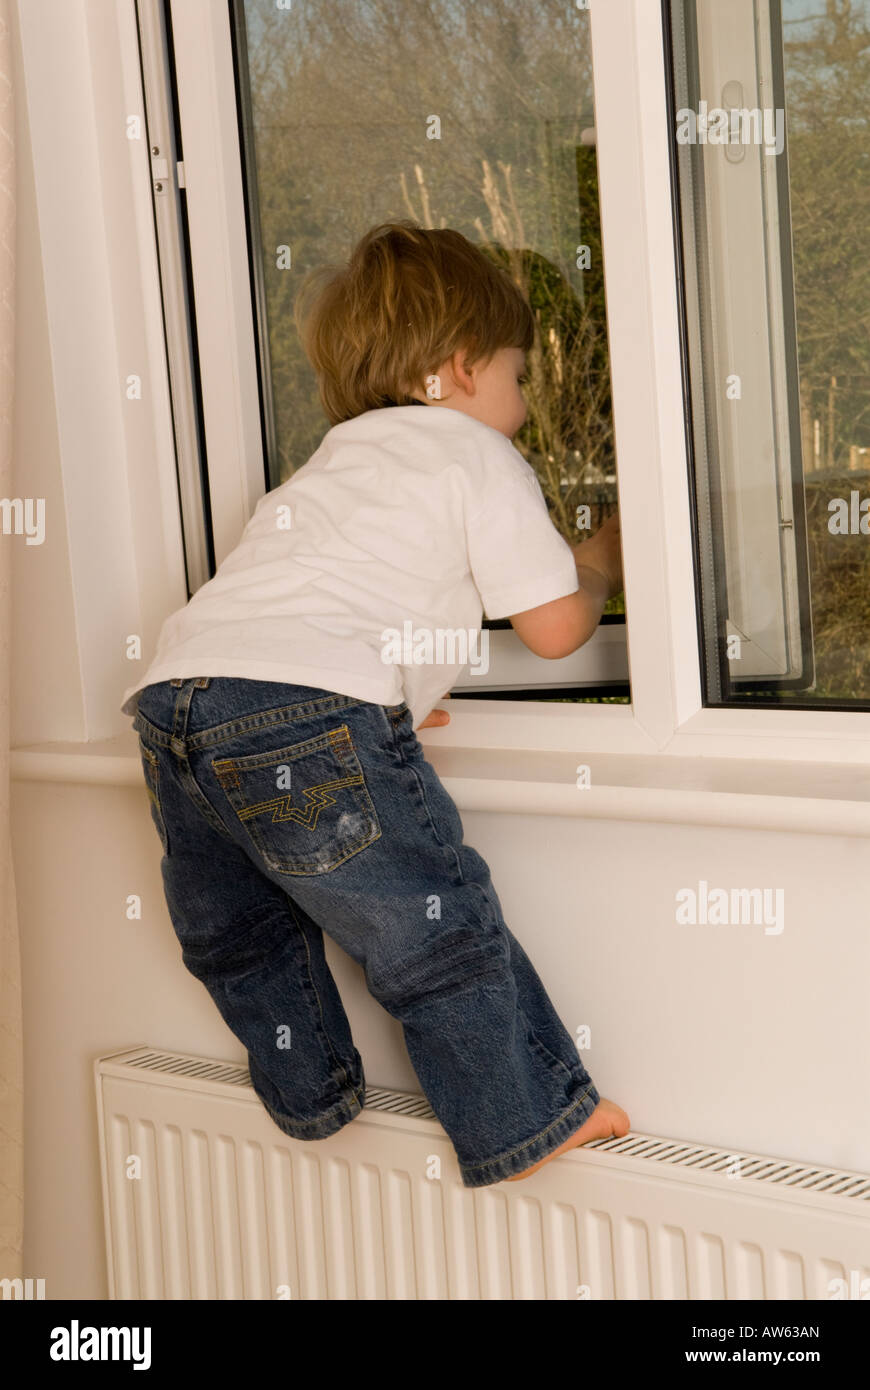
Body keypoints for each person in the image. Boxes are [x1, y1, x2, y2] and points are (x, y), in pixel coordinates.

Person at [121, 220, 629, 1188]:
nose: (523, 408)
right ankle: (522, 1117)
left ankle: (309, 1088)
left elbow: (306, 607)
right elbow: (558, 628)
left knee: (236, 930)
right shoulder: (473, 455)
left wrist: (387, 700)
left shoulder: (331, 464)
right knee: (432, 928)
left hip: (177, 699)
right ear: (460, 369)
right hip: (309, 704)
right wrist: (602, 557)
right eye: (520, 378)